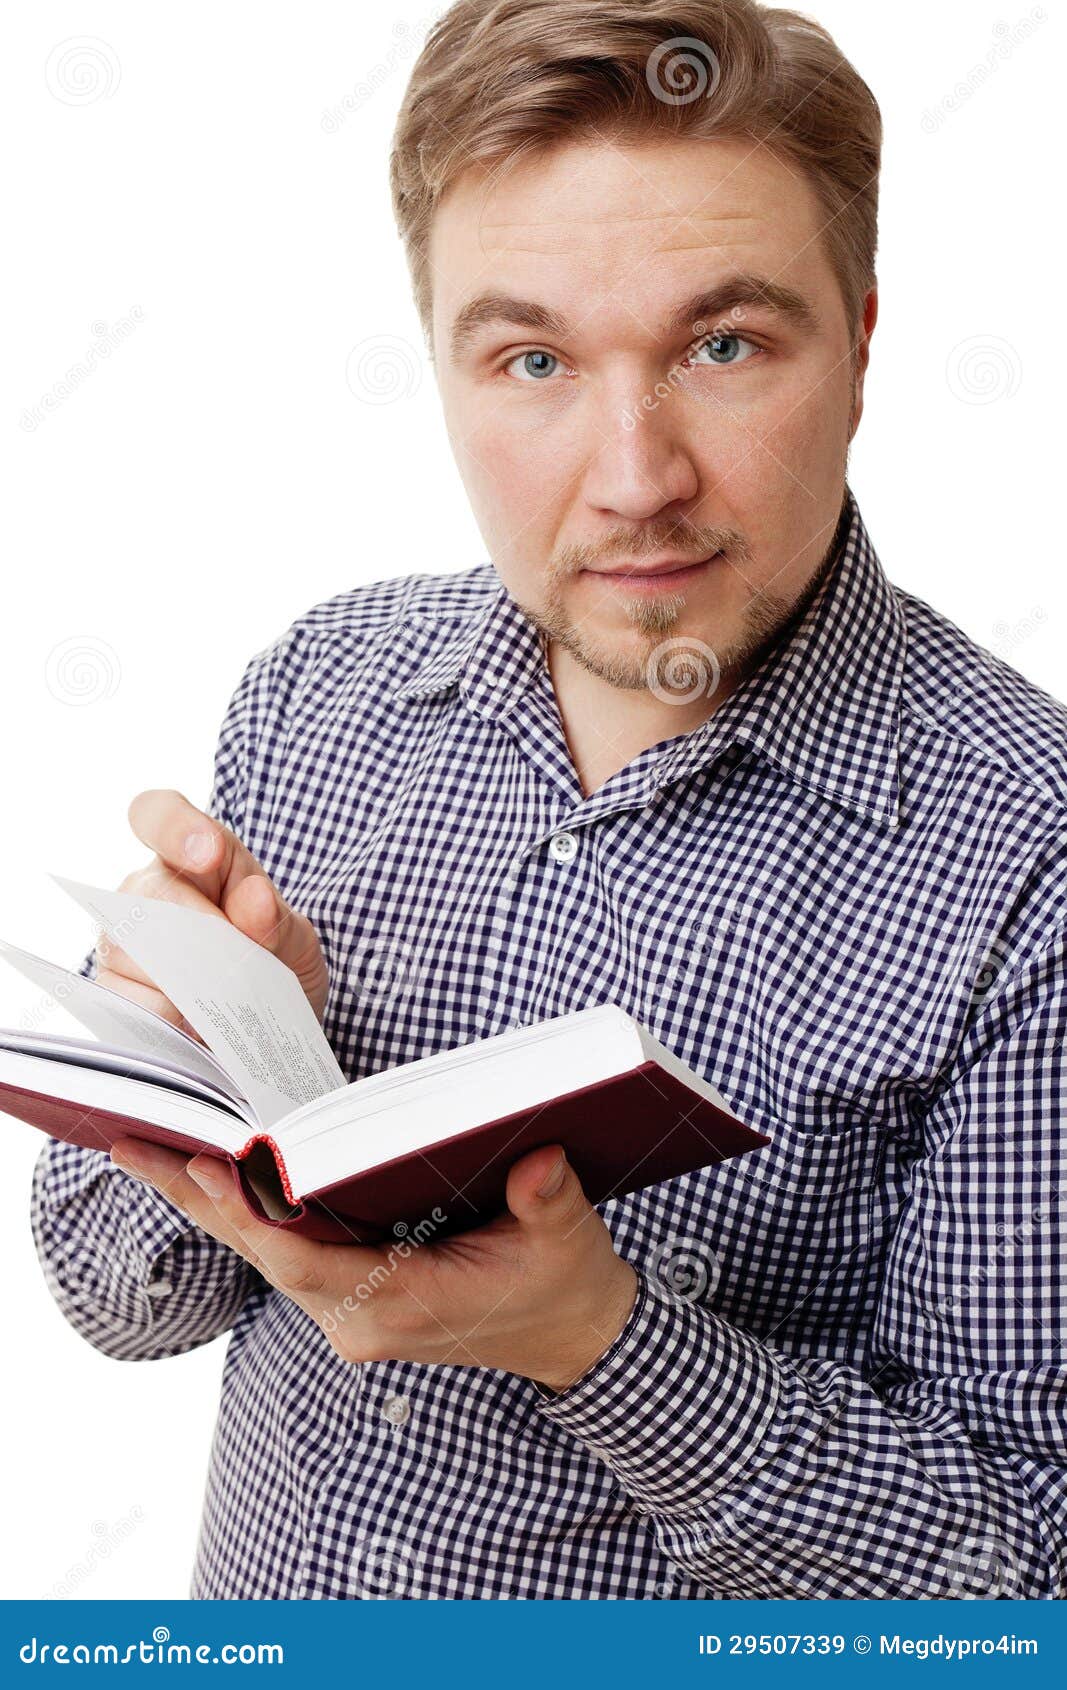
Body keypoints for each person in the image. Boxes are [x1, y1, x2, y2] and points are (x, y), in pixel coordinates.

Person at [30, 0, 1067, 1599]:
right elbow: (119, 1302)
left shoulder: (1033, 857)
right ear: (444, 368)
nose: (637, 476)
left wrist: (599, 1339)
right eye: (534, 360)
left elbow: (1023, 1571)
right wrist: (180, 1064)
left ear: (861, 345)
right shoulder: (317, 691)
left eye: (724, 345)